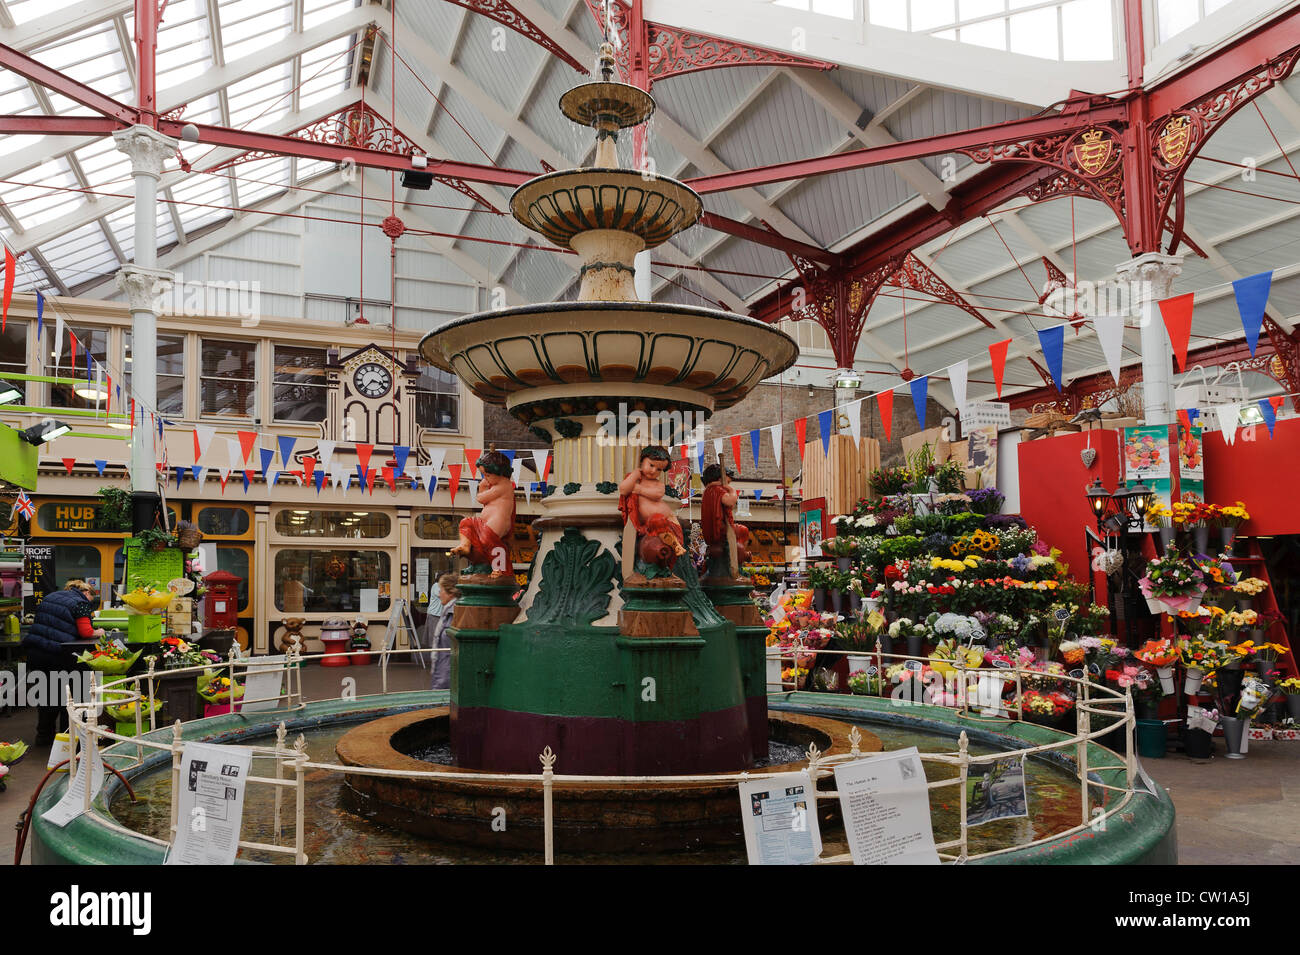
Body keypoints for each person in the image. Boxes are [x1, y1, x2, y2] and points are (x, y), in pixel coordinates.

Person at [23, 579, 105, 746]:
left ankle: (44, 737)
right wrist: (100, 631)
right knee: (68, 698)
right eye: (92, 596)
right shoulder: (81, 603)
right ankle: (67, 739)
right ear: (86, 592)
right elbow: (86, 632)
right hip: (58, 655)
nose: (91, 601)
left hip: (36, 652)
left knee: (47, 695)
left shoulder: (51, 596)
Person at [618, 446, 687, 574]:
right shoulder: (634, 478)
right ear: (642, 461)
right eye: (651, 465)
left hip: (667, 520)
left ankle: (675, 545)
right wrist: (634, 475)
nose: (653, 471)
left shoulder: (658, 484)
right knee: (657, 521)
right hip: (651, 524)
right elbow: (623, 489)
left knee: (659, 521)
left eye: (659, 469)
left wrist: (638, 489)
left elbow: (657, 494)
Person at [450, 450, 515, 575]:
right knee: (466, 522)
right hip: (487, 521)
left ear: (500, 473)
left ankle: (499, 568)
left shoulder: (504, 485)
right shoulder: (496, 484)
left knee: (489, 541)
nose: (486, 478)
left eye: (487, 475)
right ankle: (465, 545)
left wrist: (483, 485)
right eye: (484, 475)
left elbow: (480, 498)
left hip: (498, 522)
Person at [429, 574, 460, 691]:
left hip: (446, 677)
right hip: (442, 673)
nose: (439, 594)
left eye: (441, 590)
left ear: (450, 593)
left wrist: (441, 681)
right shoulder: (447, 611)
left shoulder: (454, 614)